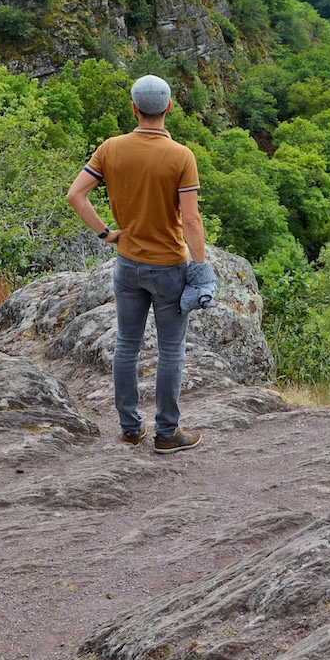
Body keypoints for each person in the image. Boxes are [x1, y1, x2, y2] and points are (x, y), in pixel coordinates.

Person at [66, 75, 210, 454]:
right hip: (169, 268)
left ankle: (130, 428)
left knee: (127, 345)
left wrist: (105, 234)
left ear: (134, 108)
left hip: (127, 264)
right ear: (169, 107)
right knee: (171, 351)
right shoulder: (181, 156)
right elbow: (192, 220)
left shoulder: (110, 149)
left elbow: (76, 195)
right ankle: (166, 435)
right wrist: (202, 268)